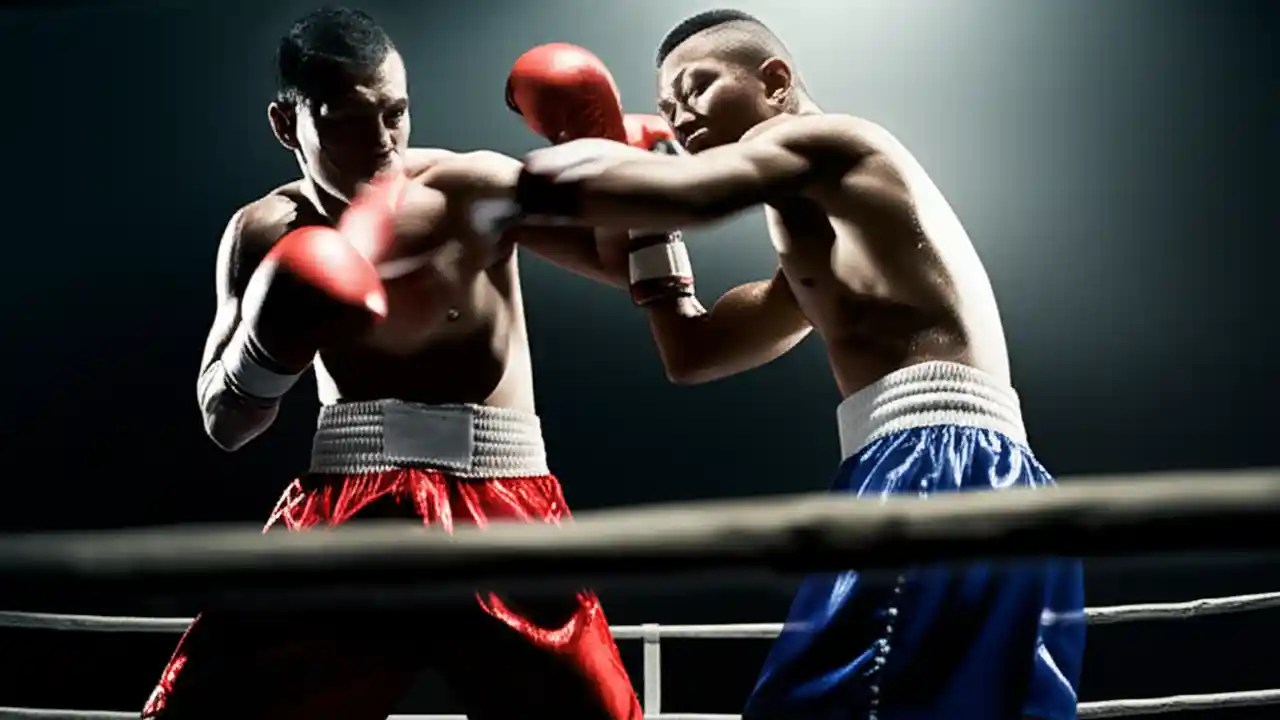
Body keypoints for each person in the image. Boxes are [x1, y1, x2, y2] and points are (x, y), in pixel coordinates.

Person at [485, 9, 1087, 720]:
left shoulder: (828, 141)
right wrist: (648, 230)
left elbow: (699, 192)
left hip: (936, 464)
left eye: (696, 87)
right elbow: (695, 352)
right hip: (964, 469)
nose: (678, 115)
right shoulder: (822, 245)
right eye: (668, 105)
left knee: (820, 705)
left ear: (774, 81)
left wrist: (545, 171)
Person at [144, 7, 643, 719]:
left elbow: (627, 269)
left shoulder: (473, 189)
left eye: (395, 112)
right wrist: (269, 344)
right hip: (351, 502)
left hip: (503, 497)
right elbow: (225, 423)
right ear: (287, 126)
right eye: (346, 118)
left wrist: (618, 159)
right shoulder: (261, 232)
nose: (381, 142)